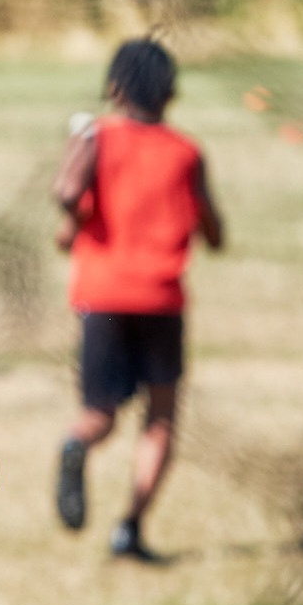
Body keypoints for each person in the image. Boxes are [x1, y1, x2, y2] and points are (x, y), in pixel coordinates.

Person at [52, 38, 223, 563]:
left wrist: (73, 222)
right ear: (170, 92)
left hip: (101, 295)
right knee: (161, 415)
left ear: (114, 87)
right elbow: (213, 230)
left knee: (100, 412)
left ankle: (78, 441)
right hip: (160, 299)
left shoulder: (98, 139)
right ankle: (130, 527)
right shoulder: (185, 152)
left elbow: (68, 207)